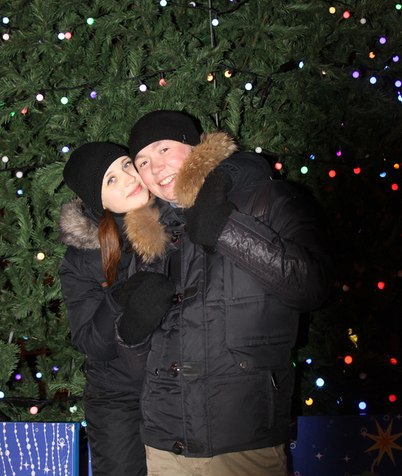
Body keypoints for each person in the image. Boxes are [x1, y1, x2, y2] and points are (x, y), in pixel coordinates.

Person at [125, 110, 335, 476]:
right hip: (164, 444)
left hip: (242, 439)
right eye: (142, 161)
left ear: (195, 149)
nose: (155, 168)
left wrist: (226, 229)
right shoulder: (149, 239)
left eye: (163, 149)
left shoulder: (266, 198)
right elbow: (132, 358)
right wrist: (132, 328)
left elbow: (313, 286)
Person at [59, 141, 175, 476]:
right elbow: (92, 343)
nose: (128, 179)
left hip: (178, 384)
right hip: (119, 398)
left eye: (126, 165)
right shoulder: (82, 259)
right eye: (110, 180)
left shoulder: (176, 220)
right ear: (99, 202)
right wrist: (117, 297)